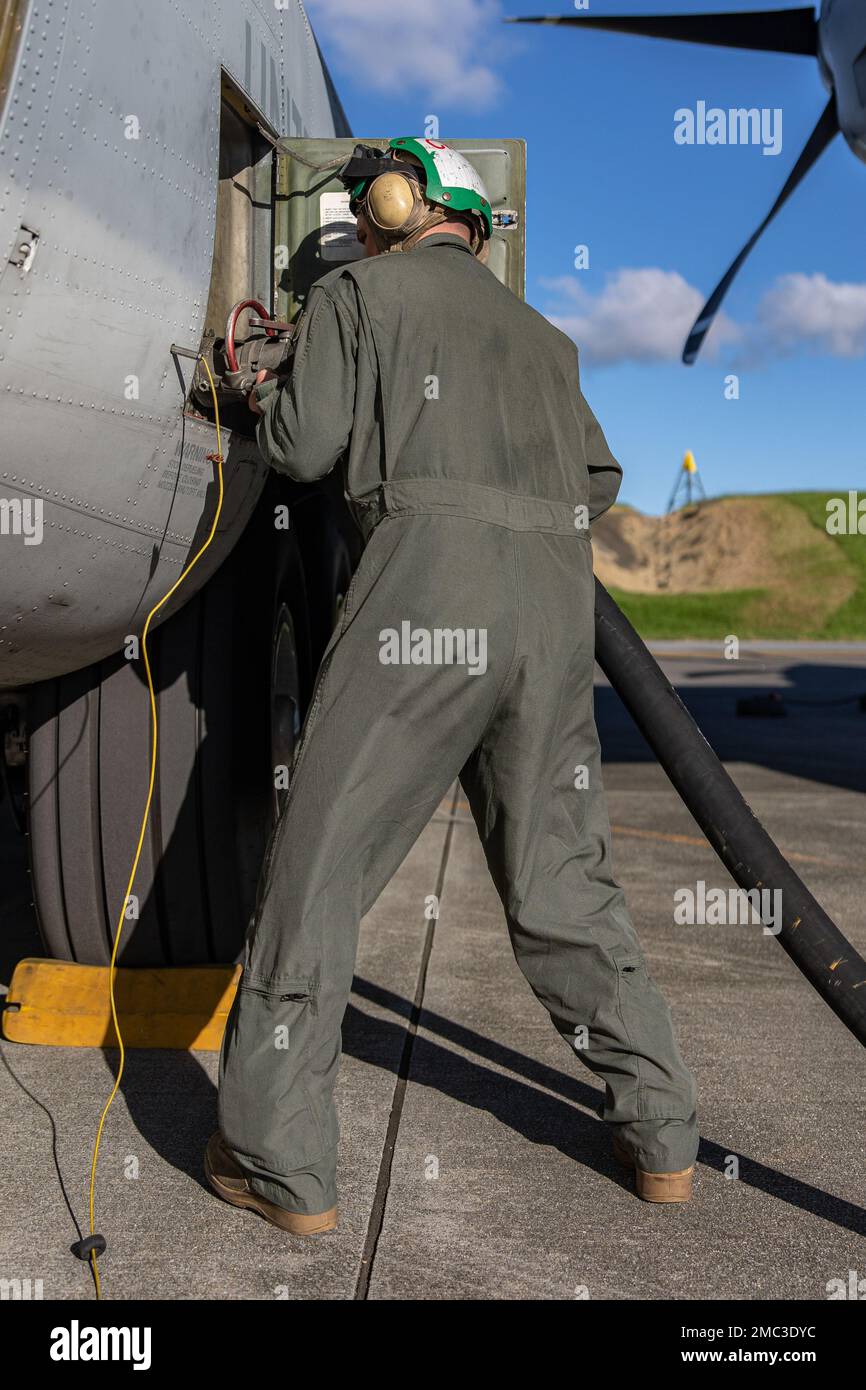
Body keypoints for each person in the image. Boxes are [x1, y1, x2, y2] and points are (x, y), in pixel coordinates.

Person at [206, 138, 698, 1235]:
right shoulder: (548, 338)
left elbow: (303, 444)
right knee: (563, 887)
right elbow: (597, 476)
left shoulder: (357, 294)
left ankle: (277, 1159)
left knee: (318, 871)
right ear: (475, 225)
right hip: (551, 614)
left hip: (424, 601)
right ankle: (660, 1127)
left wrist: (255, 387)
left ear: (396, 203)